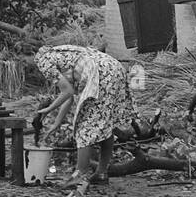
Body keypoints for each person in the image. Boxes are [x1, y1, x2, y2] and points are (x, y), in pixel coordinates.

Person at [32, 42, 137, 189]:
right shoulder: (61, 55)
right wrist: (57, 123)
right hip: (114, 67)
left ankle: (79, 175)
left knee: (85, 126)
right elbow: (69, 97)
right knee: (106, 125)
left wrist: (49, 108)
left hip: (100, 73)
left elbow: (66, 91)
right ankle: (101, 173)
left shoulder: (44, 62)